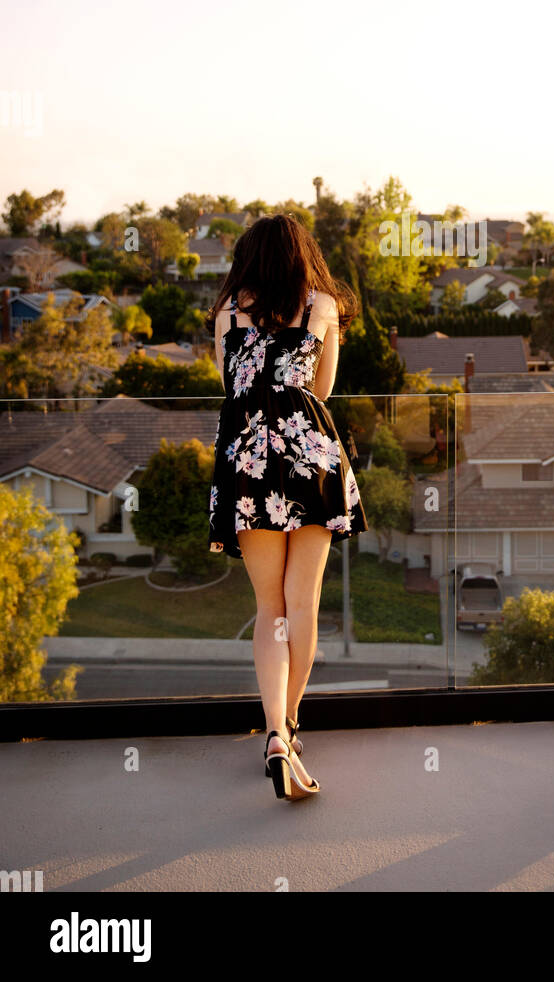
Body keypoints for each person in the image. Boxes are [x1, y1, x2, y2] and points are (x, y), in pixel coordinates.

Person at [204, 214, 368, 801]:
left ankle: (274, 730)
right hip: (310, 456)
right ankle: (288, 731)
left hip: (248, 459)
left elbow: (232, 387)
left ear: (247, 258)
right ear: (302, 256)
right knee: (304, 604)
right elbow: (321, 390)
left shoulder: (227, 313)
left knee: (269, 605)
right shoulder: (321, 306)